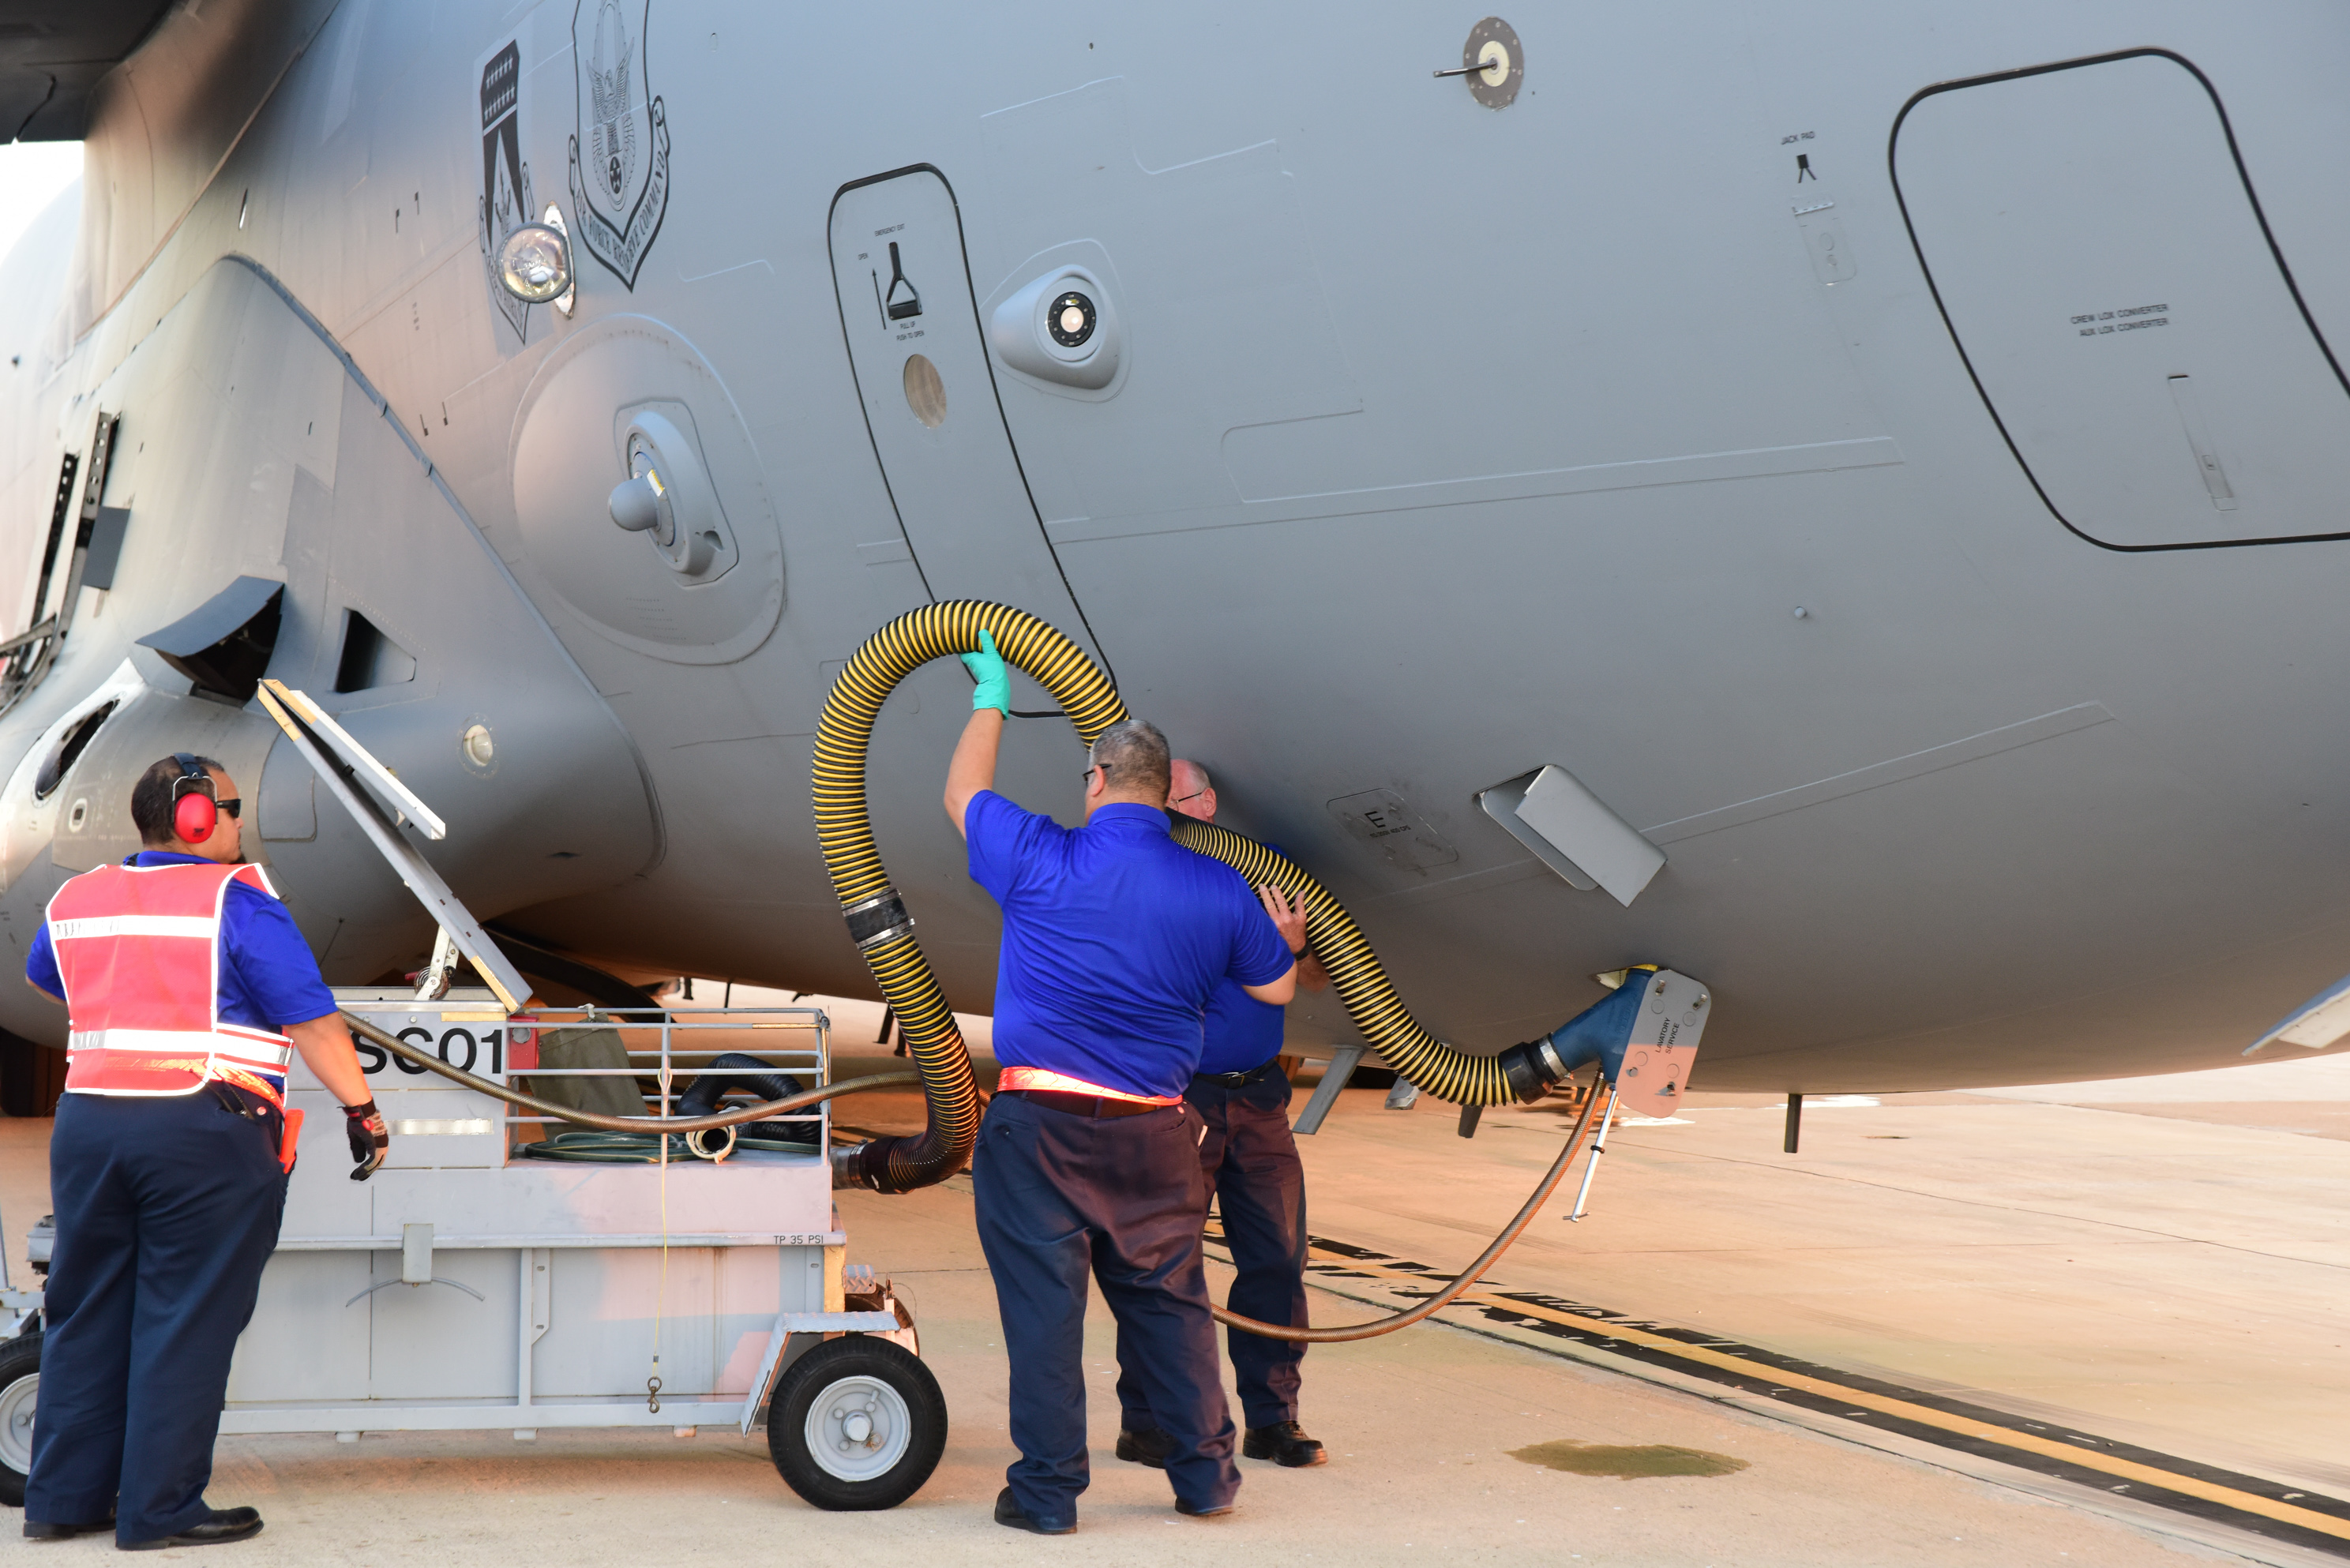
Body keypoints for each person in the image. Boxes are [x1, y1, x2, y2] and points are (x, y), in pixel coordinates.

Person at [945, 633, 1298, 1535]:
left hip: (1040, 1128)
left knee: (1046, 1315)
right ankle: (1208, 1480)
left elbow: (962, 797)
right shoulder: (1220, 887)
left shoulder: (1039, 855)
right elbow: (1277, 986)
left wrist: (991, 696)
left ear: (1097, 780)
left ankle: (1048, 1494)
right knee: (1171, 1305)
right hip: (1157, 1131)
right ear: (1162, 792)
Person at [20, 753, 389, 1549]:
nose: (237, 819)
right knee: (183, 1316)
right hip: (202, 1129)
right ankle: (159, 1510)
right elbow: (313, 1022)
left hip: (89, 1124)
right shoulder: (239, 902)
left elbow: (50, 977)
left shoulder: (77, 898)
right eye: (228, 805)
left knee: (83, 1310)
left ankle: (62, 1502)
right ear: (196, 817)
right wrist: (363, 1109)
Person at [1114, 757, 1331, 1471]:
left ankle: (1274, 1419)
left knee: (1276, 1258)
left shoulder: (1262, 876)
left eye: (1171, 800)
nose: (1159, 814)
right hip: (1182, 1096)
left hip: (1261, 1097)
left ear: (1206, 805)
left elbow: (1315, 975)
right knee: (1162, 1259)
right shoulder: (1144, 880)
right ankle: (1147, 1420)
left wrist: (1292, 950)